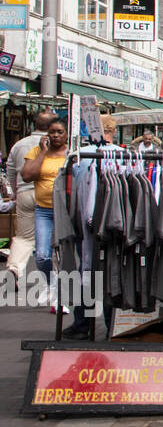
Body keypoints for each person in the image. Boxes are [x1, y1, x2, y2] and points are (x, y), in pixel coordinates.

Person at [20, 118, 69, 308]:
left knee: (65, 257)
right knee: (41, 256)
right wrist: (42, 152)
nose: (55, 135)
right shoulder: (37, 151)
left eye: (59, 132)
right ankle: (52, 283)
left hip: (65, 211)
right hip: (44, 211)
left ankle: (62, 300)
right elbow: (27, 175)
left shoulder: (71, 154)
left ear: (66, 134)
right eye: (51, 132)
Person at [5, 110, 55, 284]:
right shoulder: (57, 145)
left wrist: (15, 192)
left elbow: (10, 170)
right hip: (48, 194)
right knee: (52, 236)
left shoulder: (19, 144)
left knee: (24, 237)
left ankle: (14, 269)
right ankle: (51, 277)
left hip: (24, 193)